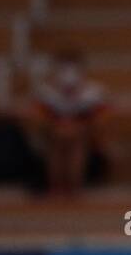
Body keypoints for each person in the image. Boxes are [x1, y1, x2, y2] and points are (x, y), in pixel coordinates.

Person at [34, 49, 108, 194]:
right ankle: (56, 185)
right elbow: (40, 118)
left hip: (84, 136)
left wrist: (79, 127)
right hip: (54, 135)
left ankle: (74, 186)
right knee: (60, 138)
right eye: (62, 68)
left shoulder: (93, 92)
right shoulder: (46, 92)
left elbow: (100, 118)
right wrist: (58, 126)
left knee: (75, 140)